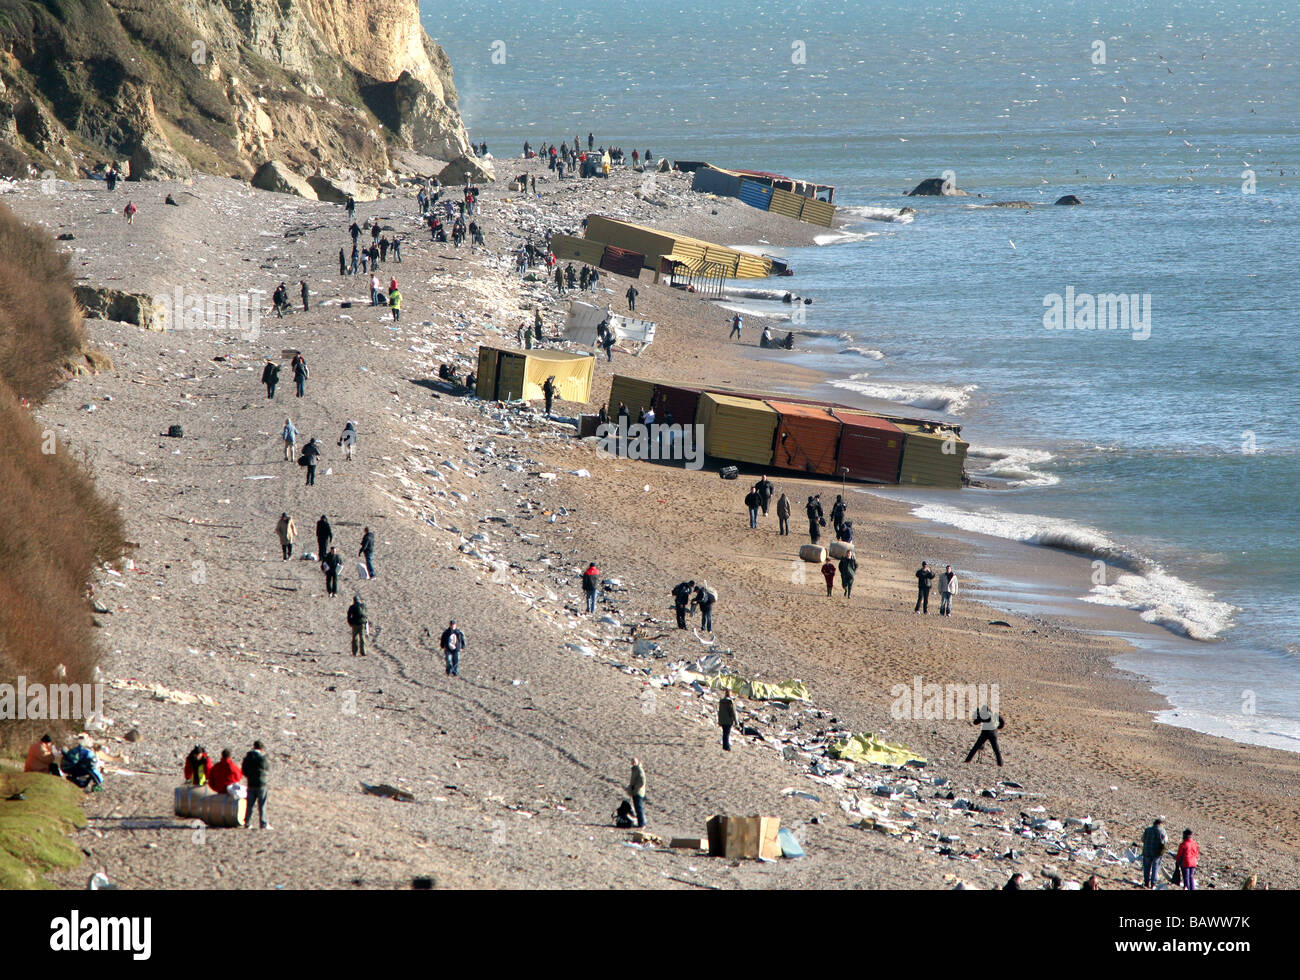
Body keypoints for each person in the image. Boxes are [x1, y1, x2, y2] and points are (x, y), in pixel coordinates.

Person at [241, 741, 271, 829]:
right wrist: (264, 756)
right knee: (262, 805)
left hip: (251, 783)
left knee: (249, 805)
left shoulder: (248, 757)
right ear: (261, 749)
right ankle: (263, 823)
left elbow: (244, 770)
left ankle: (247, 823)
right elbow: (266, 767)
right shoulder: (262, 758)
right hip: (261, 784)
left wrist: (249, 776)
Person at [1141, 817, 1167, 889]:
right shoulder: (1162, 831)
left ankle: (1146, 882)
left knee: (1146, 867)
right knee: (1155, 868)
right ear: (1160, 824)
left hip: (1147, 851)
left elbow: (1142, 839)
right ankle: (1153, 884)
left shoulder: (1147, 830)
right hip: (1157, 853)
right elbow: (1165, 842)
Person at [627, 757, 647, 828]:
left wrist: (636, 787)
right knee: (637, 808)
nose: (633, 763)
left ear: (638, 762)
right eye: (632, 762)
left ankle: (642, 824)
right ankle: (640, 823)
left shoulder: (639, 769)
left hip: (638, 792)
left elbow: (642, 781)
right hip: (635, 792)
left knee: (639, 808)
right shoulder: (634, 769)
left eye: (634, 761)